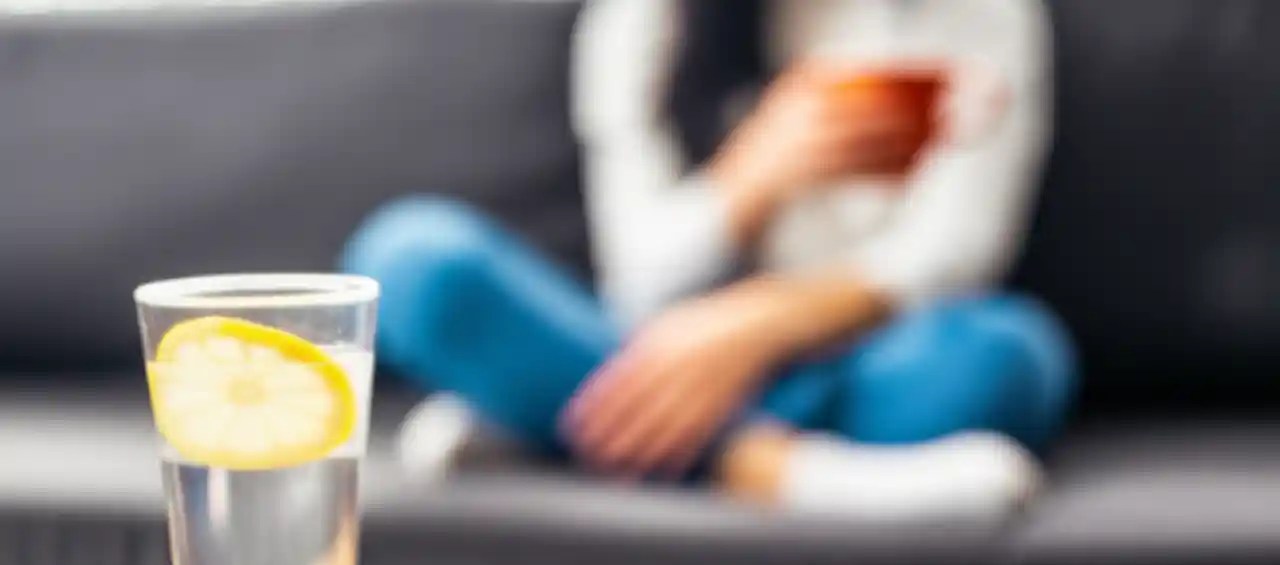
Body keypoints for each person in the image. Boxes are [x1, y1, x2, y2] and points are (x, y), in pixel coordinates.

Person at [343, 0, 1075, 518]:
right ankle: (779, 471)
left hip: (845, 352)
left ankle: (552, 420)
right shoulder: (645, 19)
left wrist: (754, 327)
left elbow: (954, 253)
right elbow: (639, 278)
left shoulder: (974, 12)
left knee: (1009, 354)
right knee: (410, 259)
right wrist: (753, 176)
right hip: (655, 344)